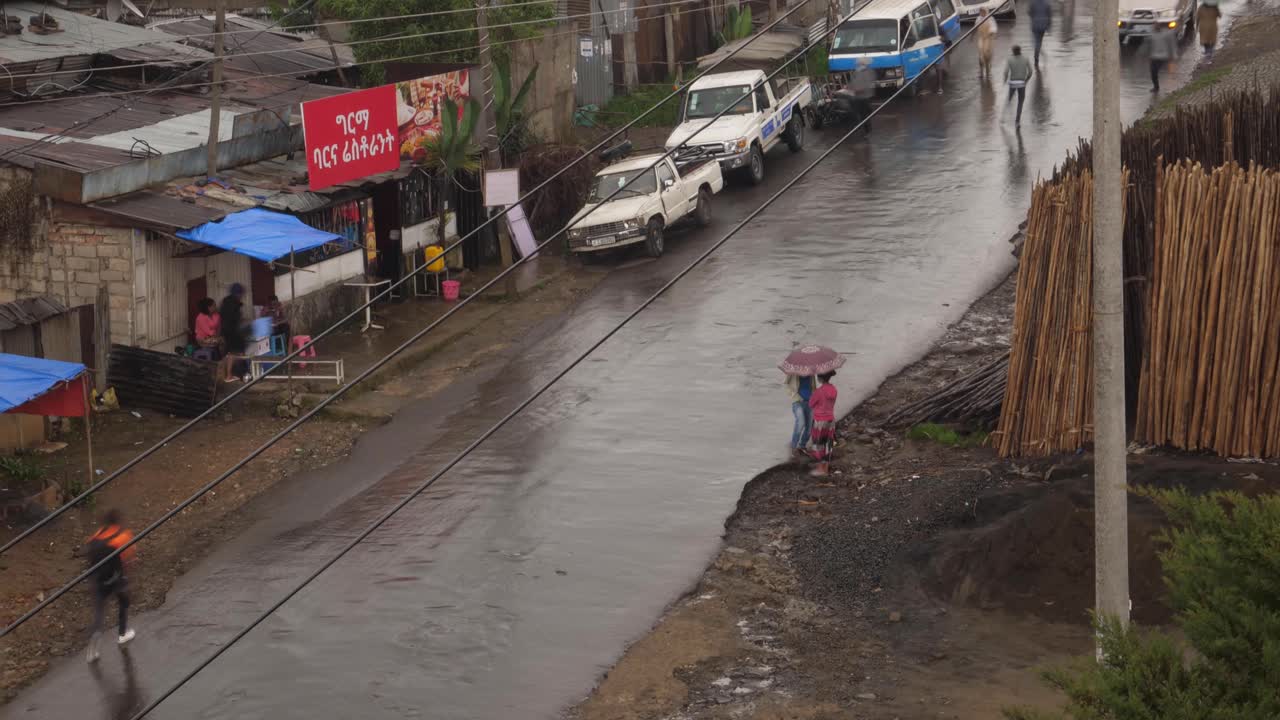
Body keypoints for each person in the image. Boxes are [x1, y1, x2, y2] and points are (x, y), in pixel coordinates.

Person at [83, 509, 136, 663]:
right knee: (123, 602)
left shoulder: (96, 536)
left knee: (99, 614)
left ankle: (93, 647)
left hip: (97, 579)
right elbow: (127, 559)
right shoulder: (123, 536)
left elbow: (89, 555)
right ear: (118, 520)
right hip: (116, 578)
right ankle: (122, 633)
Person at [808, 371, 838, 477]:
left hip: (820, 422)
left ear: (820, 378)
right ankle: (825, 469)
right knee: (828, 445)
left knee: (818, 445)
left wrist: (814, 392)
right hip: (830, 420)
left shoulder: (819, 391)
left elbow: (811, 404)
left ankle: (820, 469)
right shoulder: (833, 389)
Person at [218, 283, 248, 382]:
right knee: (233, 353)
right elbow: (233, 320)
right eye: (241, 294)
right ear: (237, 294)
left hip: (226, 332)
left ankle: (225, 375)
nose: (241, 296)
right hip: (232, 332)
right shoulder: (234, 304)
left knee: (228, 353)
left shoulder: (226, 302)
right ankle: (230, 375)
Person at [786, 373, 815, 457]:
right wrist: (795, 396)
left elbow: (813, 387)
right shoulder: (792, 371)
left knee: (809, 427)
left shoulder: (811, 372)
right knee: (801, 422)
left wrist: (814, 398)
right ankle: (794, 447)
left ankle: (802, 445)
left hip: (810, 402)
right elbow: (786, 384)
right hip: (797, 402)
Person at [1004, 45, 1033, 126]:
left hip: (1012, 84)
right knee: (1020, 102)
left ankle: (1003, 118)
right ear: (1020, 51)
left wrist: (1005, 80)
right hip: (1022, 84)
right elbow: (1030, 71)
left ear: (1013, 51)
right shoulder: (1026, 59)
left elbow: (1006, 72)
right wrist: (1026, 80)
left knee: (1008, 100)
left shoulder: (1009, 59)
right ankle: (1017, 121)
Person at [1148, 23, 1177, 92]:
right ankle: (1156, 87)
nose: (1154, 27)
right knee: (1153, 72)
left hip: (1163, 56)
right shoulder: (1152, 35)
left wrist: (1173, 55)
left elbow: (1171, 45)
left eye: (1156, 26)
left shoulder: (1167, 34)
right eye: (1154, 26)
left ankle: (1160, 86)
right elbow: (1150, 46)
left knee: (1156, 71)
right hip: (1154, 56)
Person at [1029, 0, 1052, 66]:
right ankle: (1037, 55)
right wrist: (1049, 27)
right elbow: (1049, 16)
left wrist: (1034, 18)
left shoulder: (1032, 3)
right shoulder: (1047, 3)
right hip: (1043, 26)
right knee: (1039, 41)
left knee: (1036, 42)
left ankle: (1036, 57)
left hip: (1035, 25)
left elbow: (1030, 13)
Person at [976, 8, 998, 78]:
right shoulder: (978, 19)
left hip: (988, 39)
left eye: (983, 12)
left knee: (988, 56)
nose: (981, 13)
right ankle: (981, 71)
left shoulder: (990, 19)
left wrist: (992, 34)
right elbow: (975, 27)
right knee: (981, 56)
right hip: (981, 39)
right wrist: (972, 36)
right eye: (980, 12)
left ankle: (988, 72)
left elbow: (994, 29)